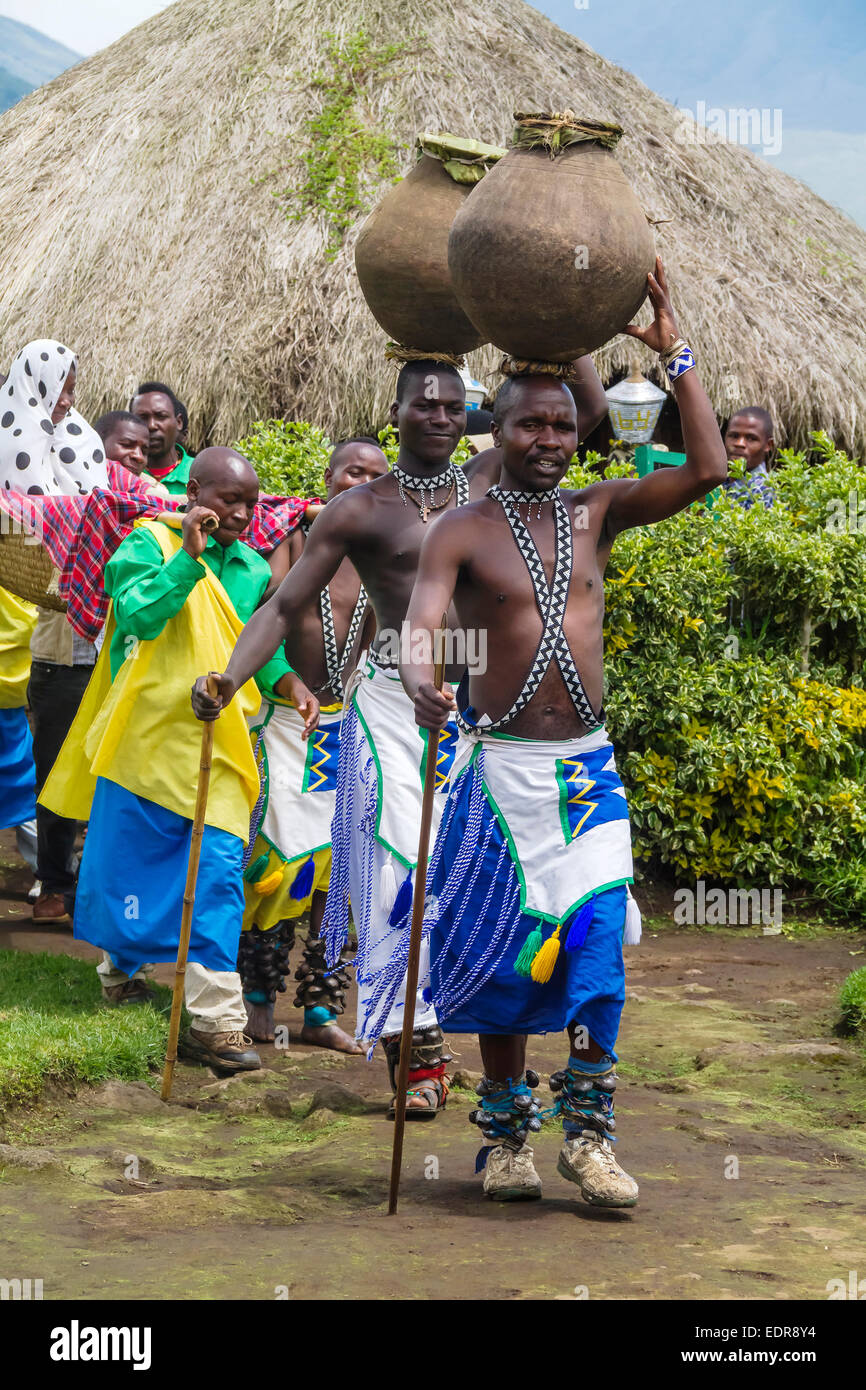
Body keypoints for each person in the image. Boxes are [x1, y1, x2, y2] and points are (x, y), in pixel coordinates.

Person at [192, 355, 608, 1118]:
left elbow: (584, 410)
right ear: (398, 411)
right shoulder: (359, 510)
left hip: (483, 714)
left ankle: (483, 1045)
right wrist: (228, 676)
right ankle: (410, 1049)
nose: (443, 417)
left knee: (473, 882)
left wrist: (558, 348)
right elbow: (284, 606)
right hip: (391, 709)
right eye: (427, 405)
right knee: (396, 875)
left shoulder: (493, 478)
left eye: (456, 405)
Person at [400, 258, 728, 1204]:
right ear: (492, 432)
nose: (548, 438)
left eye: (559, 423)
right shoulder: (459, 529)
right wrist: (424, 683)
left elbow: (707, 468)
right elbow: (421, 623)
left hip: (586, 775)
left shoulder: (598, 512)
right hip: (496, 770)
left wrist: (679, 354)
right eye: (527, 423)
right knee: (503, 960)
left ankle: (589, 1137)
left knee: (594, 951)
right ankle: (507, 1140)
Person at [41, 449, 299, 1073]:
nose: (240, 513)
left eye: (250, 502)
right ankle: (120, 972)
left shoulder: (250, 568)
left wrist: (291, 685)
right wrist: (186, 557)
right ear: (194, 493)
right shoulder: (145, 544)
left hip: (220, 748)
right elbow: (135, 615)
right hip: (147, 746)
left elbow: (254, 648)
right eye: (228, 499)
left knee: (214, 876)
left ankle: (215, 1023)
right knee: (134, 870)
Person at [239, 438, 388, 1053]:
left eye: (376, 475)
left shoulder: (386, 557)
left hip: (348, 729)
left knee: (341, 877)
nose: (363, 482)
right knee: (275, 870)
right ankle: (255, 1003)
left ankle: (323, 1012)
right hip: (281, 724)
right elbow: (259, 622)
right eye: (353, 470)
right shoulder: (292, 544)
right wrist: (287, 681)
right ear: (328, 478)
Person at [0, 341, 109, 923]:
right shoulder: (16, 439)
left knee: (102, 766)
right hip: (60, 646)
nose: (71, 399)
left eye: (73, 386)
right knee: (56, 767)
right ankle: (54, 883)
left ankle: (88, 882)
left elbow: (93, 500)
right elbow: (36, 526)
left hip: (109, 642)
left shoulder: (77, 439)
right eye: (62, 387)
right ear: (39, 385)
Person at [0, 584, 38, 874]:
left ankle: (49, 873)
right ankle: (49, 875)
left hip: (12, 679)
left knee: (21, 774)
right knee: (21, 775)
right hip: (16, 679)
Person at [130, 382, 194, 495]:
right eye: (142, 418)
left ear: (178, 423)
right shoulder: (121, 475)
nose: (151, 425)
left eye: (161, 416)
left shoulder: (200, 473)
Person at [721, 407, 775, 509]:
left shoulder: (762, 492)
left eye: (751, 438)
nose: (739, 444)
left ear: (768, 445)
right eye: (734, 436)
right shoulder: (720, 482)